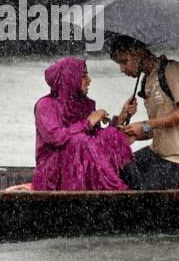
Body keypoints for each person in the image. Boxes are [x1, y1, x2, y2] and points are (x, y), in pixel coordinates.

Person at [109, 35, 179, 190]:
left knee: (138, 190)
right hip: (158, 155)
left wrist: (146, 125)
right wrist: (135, 133)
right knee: (115, 165)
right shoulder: (147, 81)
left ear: (138, 52)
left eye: (124, 61)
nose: (122, 69)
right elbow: (160, 128)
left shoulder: (172, 70)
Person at [32, 57, 133, 191]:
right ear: (70, 78)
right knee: (79, 141)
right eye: (84, 76)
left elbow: (96, 142)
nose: (89, 80)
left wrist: (121, 117)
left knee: (111, 135)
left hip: (81, 167)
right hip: (54, 170)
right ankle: (105, 188)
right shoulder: (45, 106)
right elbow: (56, 137)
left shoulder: (84, 104)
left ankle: (123, 185)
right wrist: (88, 122)